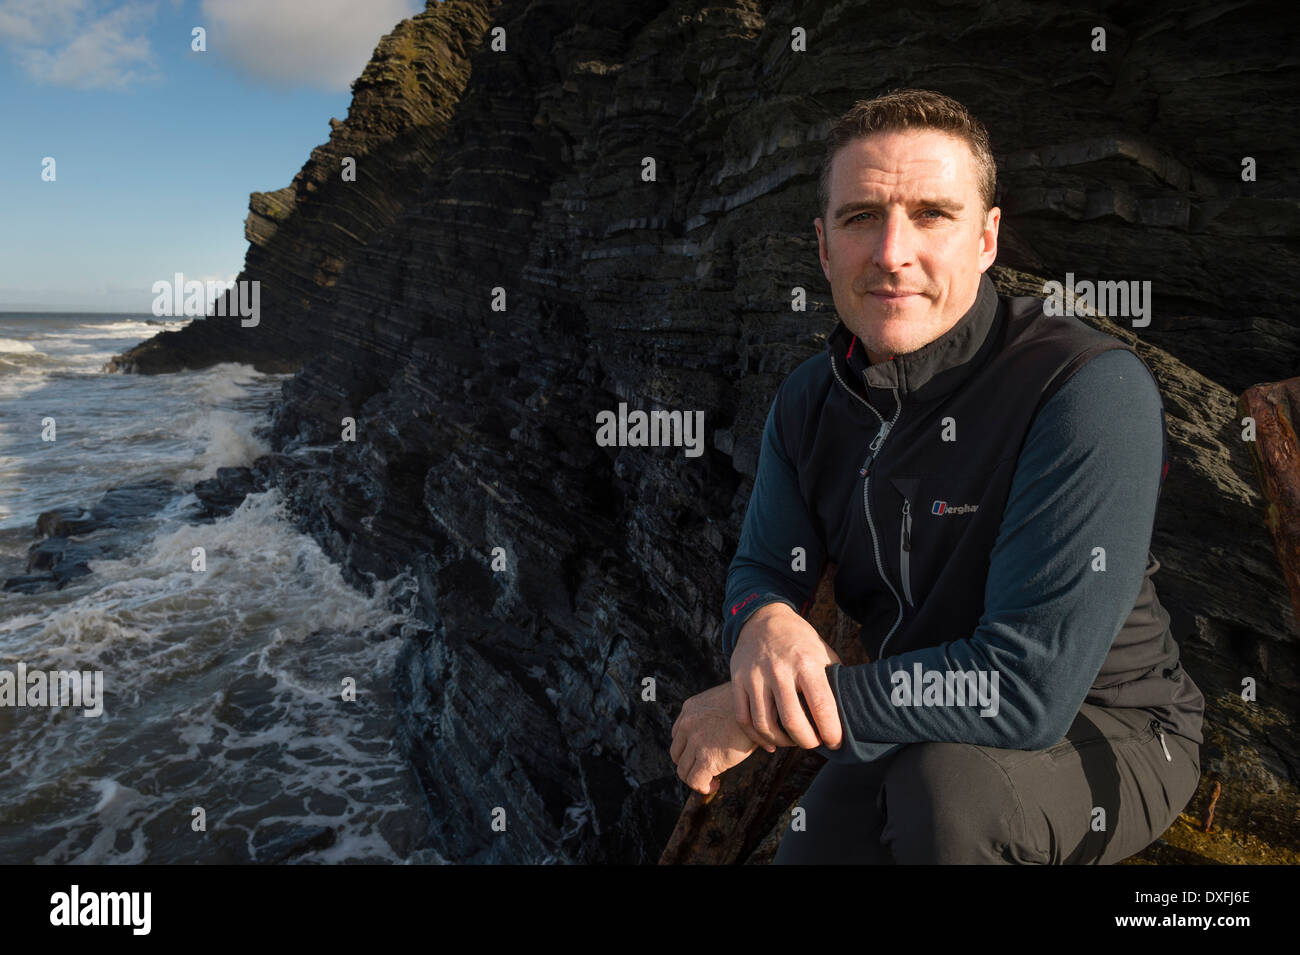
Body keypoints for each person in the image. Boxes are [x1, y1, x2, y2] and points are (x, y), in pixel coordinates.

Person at [668, 89, 1205, 864]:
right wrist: (763, 623)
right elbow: (760, 567)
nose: (892, 252)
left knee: (949, 795)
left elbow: (1025, 686)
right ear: (823, 247)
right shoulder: (809, 403)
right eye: (861, 216)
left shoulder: (1084, 386)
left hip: (1109, 725)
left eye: (932, 214)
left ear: (986, 239)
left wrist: (758, 715)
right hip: (910, 715)